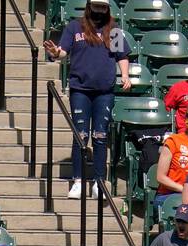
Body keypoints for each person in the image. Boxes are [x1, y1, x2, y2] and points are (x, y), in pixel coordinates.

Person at [43, 0, 131, 199]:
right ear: (89, 6)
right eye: (96, 7)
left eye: (103, 7)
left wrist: (125, 75)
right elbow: (63, 51)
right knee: (81, 135)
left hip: (104, 91)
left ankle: (99, 182)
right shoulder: (75, 27)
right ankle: (78, 181)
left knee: (100, 136)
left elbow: (122, 55)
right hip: (80, 89)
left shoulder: (113, 29)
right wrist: (56, 53)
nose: (99, 11)